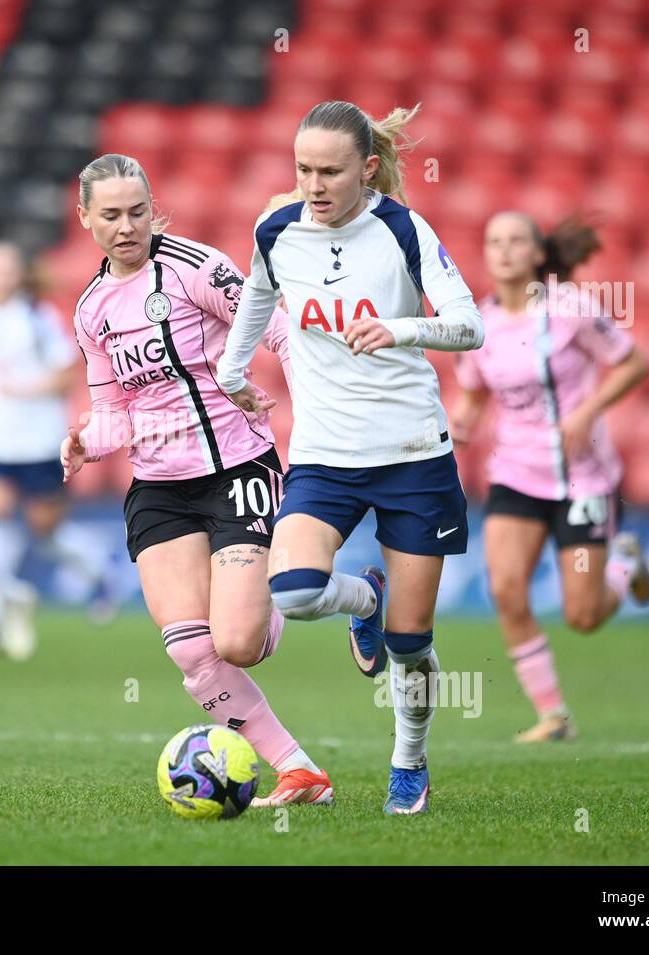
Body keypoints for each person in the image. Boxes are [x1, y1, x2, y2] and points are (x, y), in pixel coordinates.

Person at [216, 101, 484, 814]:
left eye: (330, 171)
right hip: (324, 455)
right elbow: (255, 299)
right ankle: (363, 597)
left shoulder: (403, 229)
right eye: (303, 169)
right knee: (295, 591)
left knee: (410, 643)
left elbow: (470, 325)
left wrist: (399, 328)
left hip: (412, 454)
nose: (314, 184)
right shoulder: (277, 232)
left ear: (366, 169)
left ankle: (409, 760)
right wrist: (232, 373)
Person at [62, 153, 333, 807]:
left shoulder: (194, 267)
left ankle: (308, 588)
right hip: (159, 488)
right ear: (85, 218)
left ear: (153, 208)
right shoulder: (91, 309)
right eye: (110, 215)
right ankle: (300, 771)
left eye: (138, 211)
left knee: (238, 643)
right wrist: (85, 444)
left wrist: (308, 411)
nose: (127, 226)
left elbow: (279, 330)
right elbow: (112, 412)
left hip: (236, 469)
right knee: (192, 651)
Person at [448, 211, 649, 742]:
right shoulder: (478, 323)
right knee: (506, 589)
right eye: (494, 241)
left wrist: (586, 413)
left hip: (583, 478)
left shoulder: (570, 309)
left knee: (583, 616)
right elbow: (473, 396)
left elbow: (633, 363)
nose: (504, 250)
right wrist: (459, 427)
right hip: (515, 475)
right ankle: (553, 716)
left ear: (539, 254)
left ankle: (624, 566)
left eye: (516, 240)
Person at [0, 240, 119, 660]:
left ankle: (99, 572)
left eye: (5, 269)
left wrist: (24, 388)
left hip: (38, 443)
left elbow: (66, 375)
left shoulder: (39, 319)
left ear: (19, 275)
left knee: (46, 532)